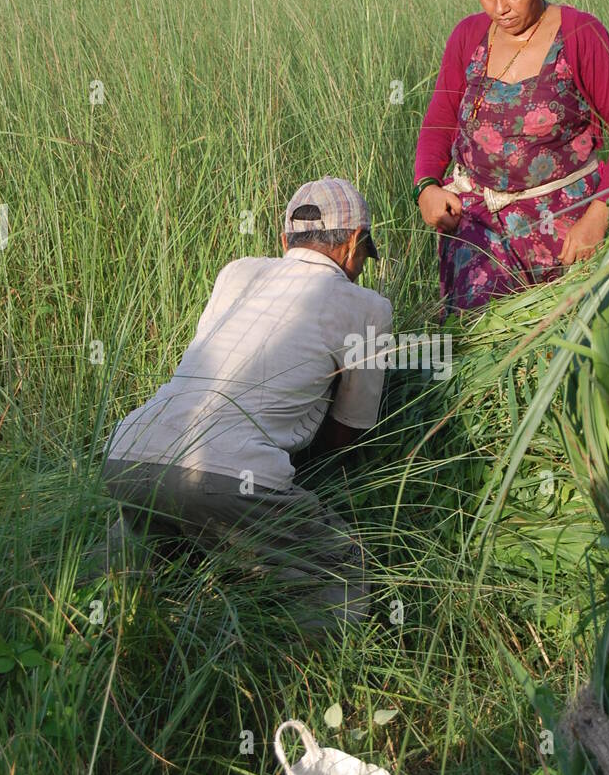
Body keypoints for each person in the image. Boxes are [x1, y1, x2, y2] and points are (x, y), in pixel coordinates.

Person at [97, 177, 392, 634]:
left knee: (141, 557)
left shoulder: (237, 273)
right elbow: (346, 433)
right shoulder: (366, 307)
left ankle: (100, 635)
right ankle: (306, 672)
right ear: (354, 243)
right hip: (224, 474)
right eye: (362, 258)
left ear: (283, 241)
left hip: (126, 453)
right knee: (337, 563)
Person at [414, 0, 609, 315]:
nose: (499, 8)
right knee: (482, 345)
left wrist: (600, 215)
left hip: (566, 227)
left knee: (562, 345)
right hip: (478, 226)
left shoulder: (579, 34)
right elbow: (440, 121)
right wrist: (427, 187)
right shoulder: (468, 37)